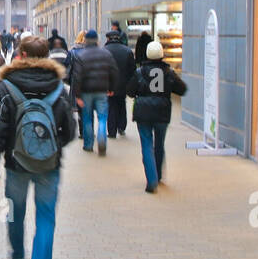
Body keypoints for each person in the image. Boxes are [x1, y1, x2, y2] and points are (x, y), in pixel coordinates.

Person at [0, 35, 75, 259]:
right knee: (46, 219)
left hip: (16, 165)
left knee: (14, 211)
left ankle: (17, 256)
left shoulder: (7, 86)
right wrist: (51, 146)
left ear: (21, 55)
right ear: (47, 56)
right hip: (49, 165)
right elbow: (70, 131)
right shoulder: (58, 87)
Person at [126, 40, 188, 192]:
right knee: (159, 144)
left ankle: (151, 180)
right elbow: (182, 89)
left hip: (143, 112)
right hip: (162, 111)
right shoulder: (169, 72)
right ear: (161, 54)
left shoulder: (140, 72)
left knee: (146, 145)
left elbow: (130, 91)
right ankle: (159, 175)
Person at [69, 29, 119, 156]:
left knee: (87, 119)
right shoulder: (106, 54)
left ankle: (88, 145)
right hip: (102, 91)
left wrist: (77, 95)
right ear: (97, 40)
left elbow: (77, 77)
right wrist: (112, 89)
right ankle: (102, 141)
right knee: (102, 118)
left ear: (85, 41)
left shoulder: (81, 55)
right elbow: (114, 72)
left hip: (86, 92)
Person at [104, 29, 136, 138]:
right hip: (124, 84)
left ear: (108, 39)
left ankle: (112, 131)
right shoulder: (127, 51)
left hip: (109, 84)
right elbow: (133, 70)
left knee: (111, 106)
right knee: (122, 104)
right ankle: (121, 127)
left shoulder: (104, 50)